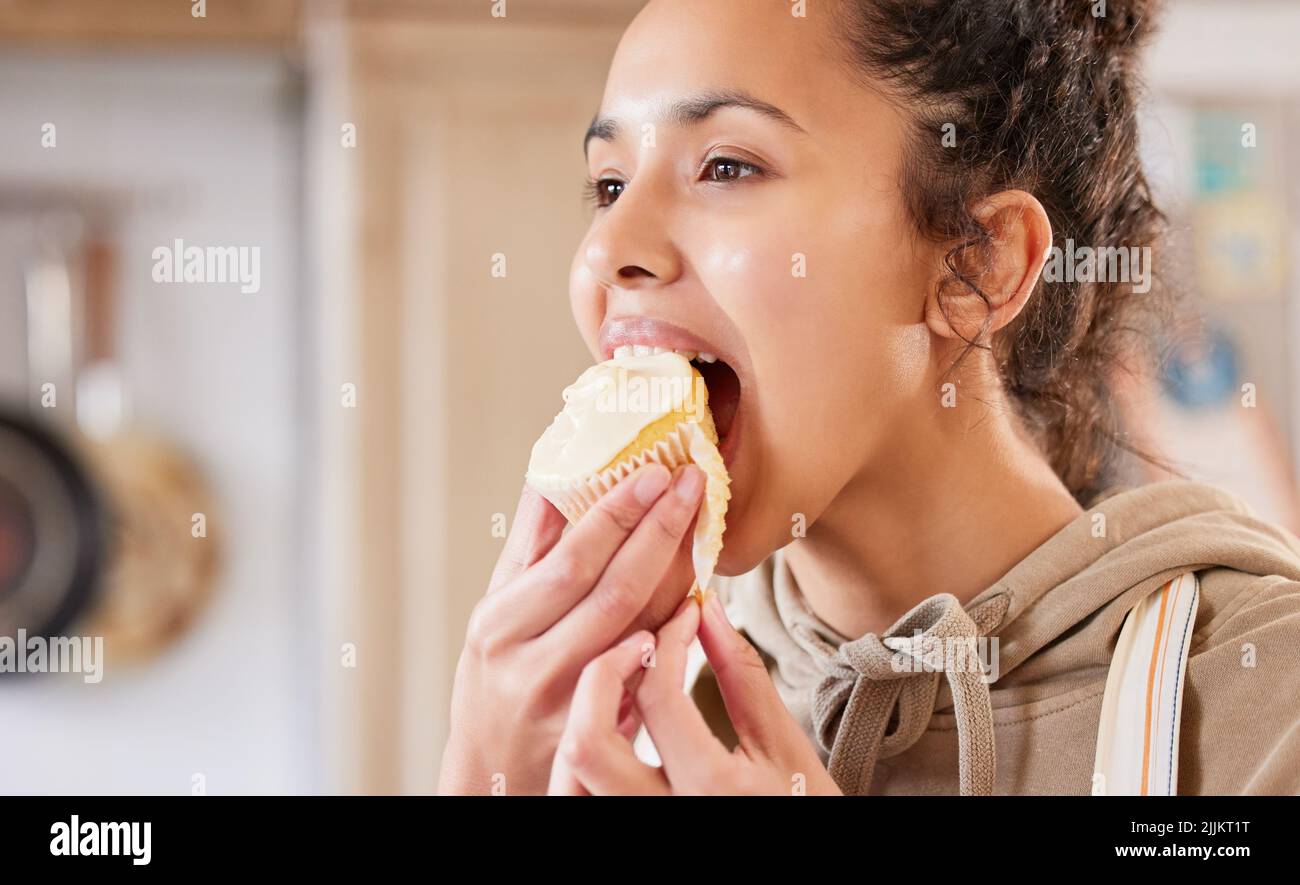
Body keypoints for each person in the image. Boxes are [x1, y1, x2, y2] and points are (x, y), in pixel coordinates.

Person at [438, 0, 1300, 795]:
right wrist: (481, 774)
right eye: (610, 184)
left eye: (726, 166)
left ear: (981, 262)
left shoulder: (1264, 705)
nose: (607, 249)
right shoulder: (619, 719)